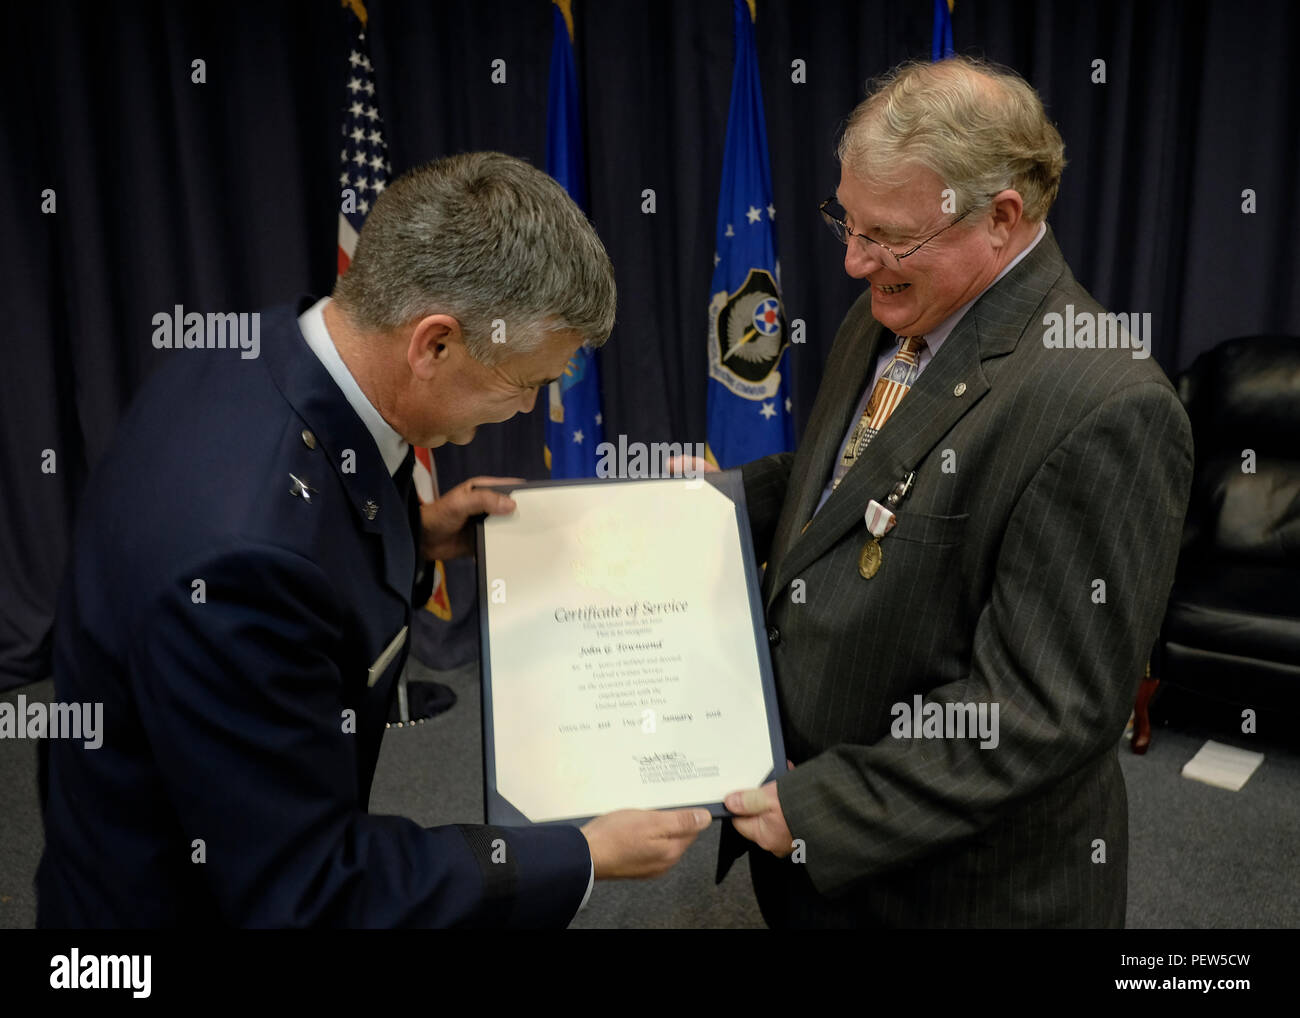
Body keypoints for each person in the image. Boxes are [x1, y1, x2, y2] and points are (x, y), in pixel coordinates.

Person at [37, 151, 709, 928]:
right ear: (434, 345)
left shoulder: (263, 351)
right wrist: (585, 855)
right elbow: (317, 889)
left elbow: (308, 510)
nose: (528, 410)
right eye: (527, 381)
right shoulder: (246, 563)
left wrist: (416, 538)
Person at [720, 57, 1193, 927]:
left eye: (888, 235)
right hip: (821, 864)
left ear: (1002, 218)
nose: (858, 262)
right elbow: (842, 479)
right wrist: (705, 506)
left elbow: (1038, 712)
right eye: (847, 223)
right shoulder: (898, 305)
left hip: (948, 890)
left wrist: (821, 812)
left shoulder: (1105, 407)